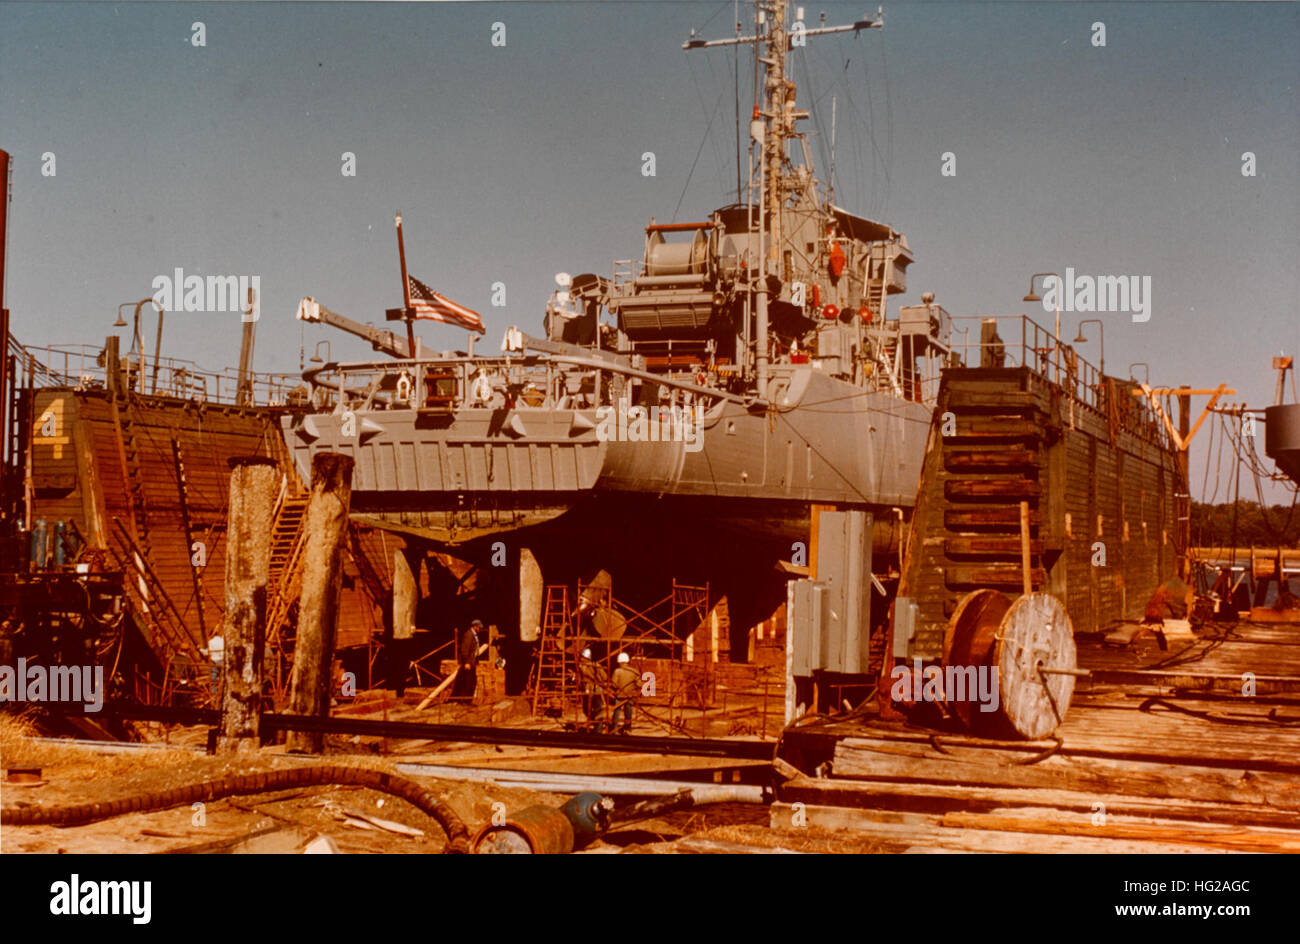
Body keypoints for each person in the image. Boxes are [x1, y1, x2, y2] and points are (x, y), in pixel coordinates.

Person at [451, 619, 482, 703]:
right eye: (479, 627)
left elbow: (475, 650)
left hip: (472, 662)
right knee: (467, 682)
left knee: (471, 682)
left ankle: (467, 701)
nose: (480, 629)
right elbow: (465, 650)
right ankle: (464, 701)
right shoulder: (469, 635)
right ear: (475, 627)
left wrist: (476, 661)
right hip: (468, 662)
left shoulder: (475, 635)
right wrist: (467, 662)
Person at [576, 647, 606, 729]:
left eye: (582, 657)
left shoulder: (595, 666)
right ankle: (595, 722)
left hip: (596, 688)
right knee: (586, 709)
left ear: (586, 658)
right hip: (587, 689)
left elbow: (604, 676)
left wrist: (600, 683)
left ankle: (599, 727)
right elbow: (580, 678)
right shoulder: (581, 666)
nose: (581, 659)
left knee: (598, 708)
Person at [610, 651, 639, 735]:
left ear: (619, 661)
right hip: (630, 695)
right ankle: (628, 729)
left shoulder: (617, 671)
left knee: (617, 712)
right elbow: (638, 684)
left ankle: (614, 729)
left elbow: (614, 684)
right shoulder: (634, 671)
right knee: (628, 713)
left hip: (619, 695)